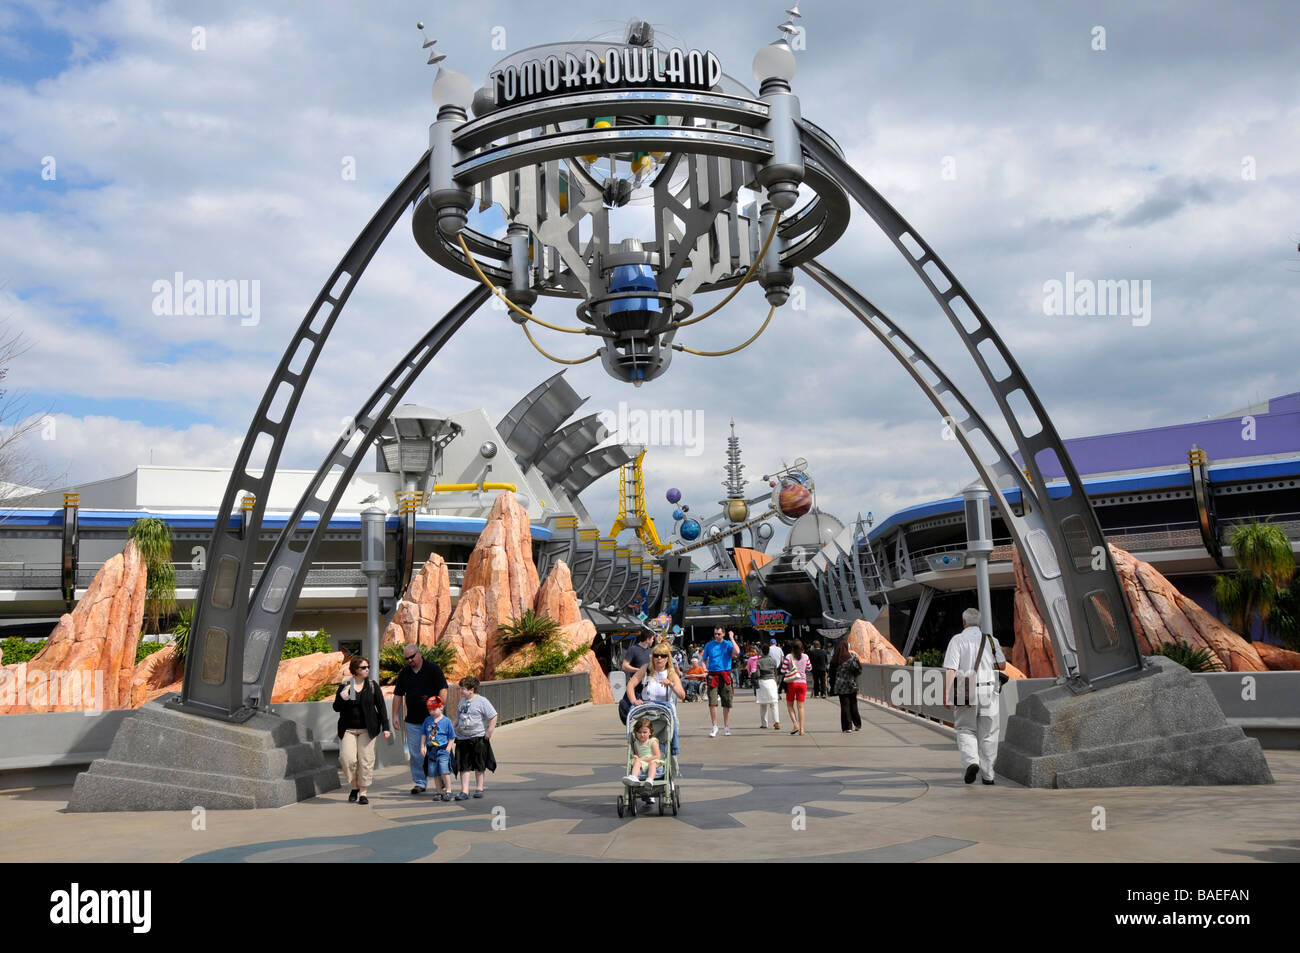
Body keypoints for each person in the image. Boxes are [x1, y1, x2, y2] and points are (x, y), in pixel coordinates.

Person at [943, 608, 1006, 785]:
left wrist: (947, 693)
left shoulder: (958, 640)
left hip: (965, 688)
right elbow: (1002, 664)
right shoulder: (992, 641)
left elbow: (951, 669)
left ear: (964, 622)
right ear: (979, 622)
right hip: (989, 689)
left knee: (965, 728)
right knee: (989, 733)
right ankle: (988, 775)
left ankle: (972, 762)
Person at [392, 644, 449, 795]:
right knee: (416, 753)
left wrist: (440, 708)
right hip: (413, 721)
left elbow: (443, 688)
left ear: (419, 653)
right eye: (407, 658)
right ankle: (419, 782)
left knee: (437, 749)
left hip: (433, 720)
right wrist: (394, 716)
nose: (410, 660)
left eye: (412, 656)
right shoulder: (404, 673)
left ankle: (442, 777)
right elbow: (398, 694)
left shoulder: (433, 669)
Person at [333, 656, 390, 805]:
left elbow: (381, 707)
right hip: (348, 729)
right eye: (363, 668)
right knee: (347, 759)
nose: (367, 670)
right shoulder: (347, 685)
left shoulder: (371, 685)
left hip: (367, 730)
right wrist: (342, 697)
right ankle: (354, 787)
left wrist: (386, 727)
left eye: (368, 667)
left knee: (365, 761)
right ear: (355, 670)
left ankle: (363, 793)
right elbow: (336, 707)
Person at [626, 645, 685, 756]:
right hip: (647, 712)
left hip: (665, 715)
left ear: (667, 658)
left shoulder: (671, 674)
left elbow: (682, 695)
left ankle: (662, 759)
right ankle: (643, 761)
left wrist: (671, 684)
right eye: (656, 655)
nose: (659, 658)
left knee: (661, 739)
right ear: (652, 657)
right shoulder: (647, 669)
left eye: (663, 656)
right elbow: (630, 685)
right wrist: (634, 701)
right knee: (638, 733)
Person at [454, 676, 498, 800]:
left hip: (478, 737)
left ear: (471, 690)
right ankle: (464, 791)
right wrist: (451, 728)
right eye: (461, 688)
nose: (461, 691)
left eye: (463, 689)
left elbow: (493, 716)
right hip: (463, 738)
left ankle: (479, 788)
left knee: (479, 764)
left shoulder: (482, 701)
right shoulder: (461, 702)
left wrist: (489, 731)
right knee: (464, 765)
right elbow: (458, 718)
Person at [702, 626, 740, 737]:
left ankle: (726, 726)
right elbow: (704, 659)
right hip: (713, 676)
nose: (717, 636)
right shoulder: (709, 645)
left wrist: (732, 638)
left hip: (725, 675)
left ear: (723, 634)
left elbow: (737, 652)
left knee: (727, 703)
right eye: (715, 634)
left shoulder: (728, 644)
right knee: (712, 702)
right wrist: (704, 667)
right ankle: (714, 726)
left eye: (719, 634)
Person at [419, 696, 457, 801]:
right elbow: (423, 734)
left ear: (441, 708)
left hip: (443, 749)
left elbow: (452, 736)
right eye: (430, 710)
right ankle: (439, 791)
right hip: (431, 749)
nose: (432, 712)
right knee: (434, 771)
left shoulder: (446, 721)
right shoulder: (427, 720)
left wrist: (448, 748)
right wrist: (422, 746)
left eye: (434, 709)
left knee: (444, 770)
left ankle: (448, 790)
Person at [829, 639, 863, 732]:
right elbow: (859, 670)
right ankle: (857, 724)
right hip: (852, 684)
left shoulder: (835, 659)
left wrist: (832, 685)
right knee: (854, 704)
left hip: (841, 686)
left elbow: (831, 673)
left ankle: (847, 727)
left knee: (844, 705)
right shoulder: (853, 657)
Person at [780, 640, 812, 735]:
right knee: (801, 707)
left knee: (790, 705)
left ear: (792, 648)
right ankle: (802, 729)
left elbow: (782, 670)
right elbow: (809, 668)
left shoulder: (789, 657)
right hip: (803, 683)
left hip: (792, 683)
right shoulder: (806, 656)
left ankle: (795, 724)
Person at [626, 716, 663, 783]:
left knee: (652, 763)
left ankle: (650, 780)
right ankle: (634, 777)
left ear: (650, 732)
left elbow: (658, 756)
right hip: (643, 763)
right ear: (636, 733)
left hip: (654, 761)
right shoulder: (636, 743)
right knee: (636, 761)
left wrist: (642, 759)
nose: (642, 735)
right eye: (639, 732)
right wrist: (636, 757)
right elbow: (638, 755)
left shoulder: (652, 741)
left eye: (645, 732)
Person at [753, 648, 780, 729]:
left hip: (763, 682)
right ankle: (777, 722)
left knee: (763, 704)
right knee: (774, 703)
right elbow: (776, 673)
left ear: (762, 652)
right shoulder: (773, 661)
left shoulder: (759, 661)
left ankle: (764, 724)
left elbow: (757, 674)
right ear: (768, 651)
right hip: (772, 682)